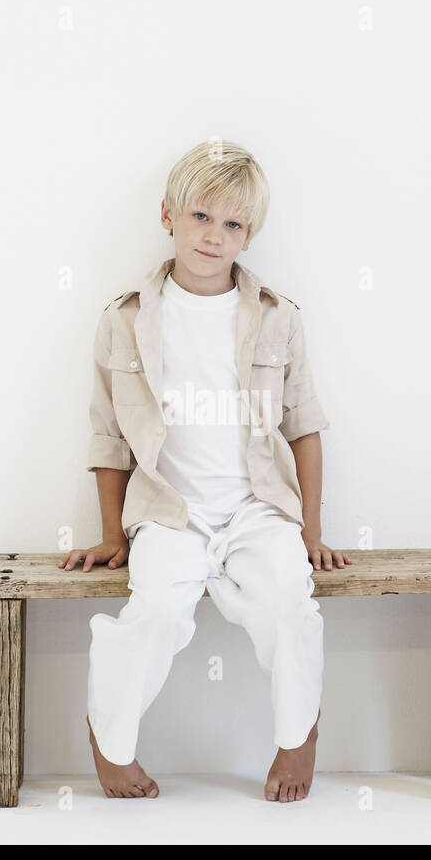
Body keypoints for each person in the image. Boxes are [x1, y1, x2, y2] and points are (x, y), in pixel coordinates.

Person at [57, 139, 350, 802]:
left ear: (250, 236)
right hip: (170, 510)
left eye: (232, 224)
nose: (213, 236)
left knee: (287, 604)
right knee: (155, 611)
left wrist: (308, 529)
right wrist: (112, 535)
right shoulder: (125, 320)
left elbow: (303, 425)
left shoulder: (278, 317)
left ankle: (297, 735)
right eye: (199, 217)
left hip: (258, 508)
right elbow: (109, 437)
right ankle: (112, 739)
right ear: (168, 215)